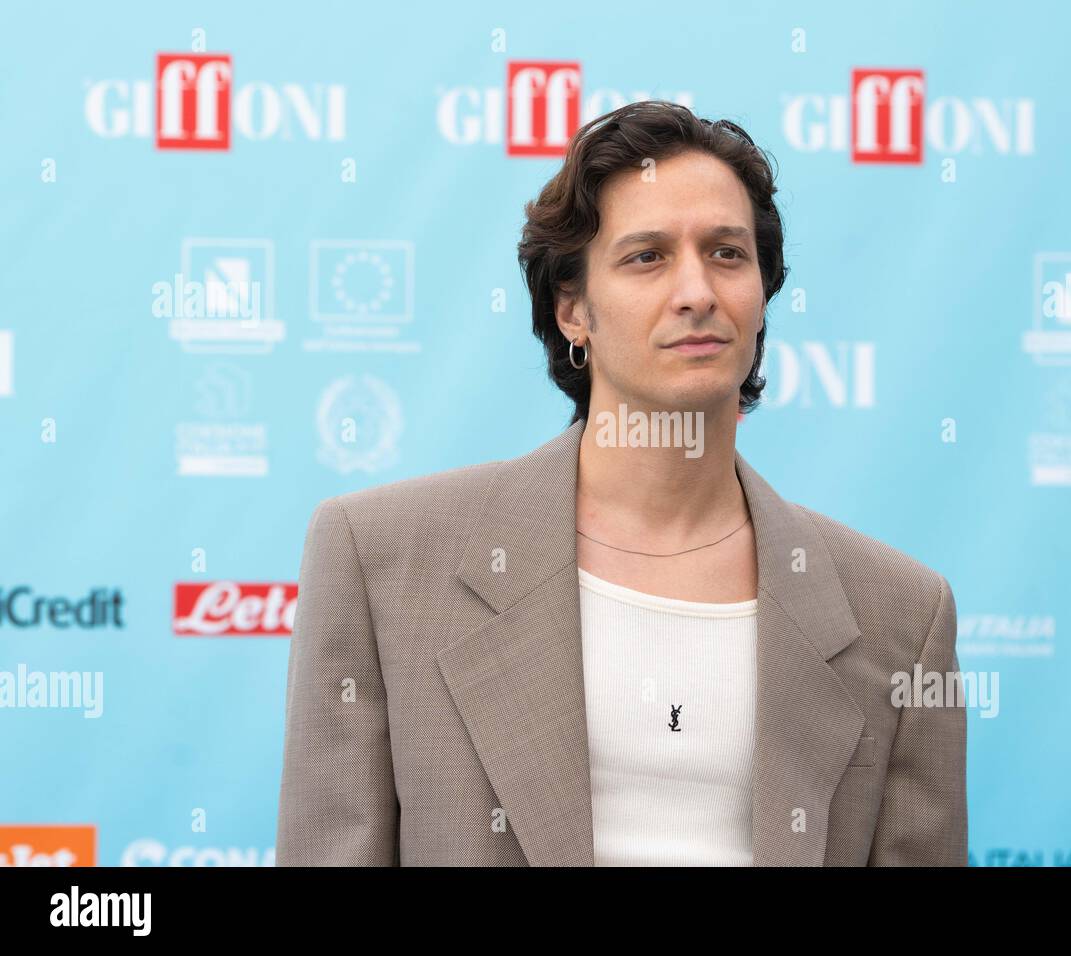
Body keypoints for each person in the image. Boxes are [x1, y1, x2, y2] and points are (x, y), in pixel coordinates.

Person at [275, 100, 966, 866]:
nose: (697, 291)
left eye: (727, 254)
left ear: (764, 296)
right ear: (572, 308)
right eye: (648, 257)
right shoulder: (381, 559)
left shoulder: (902, 616)